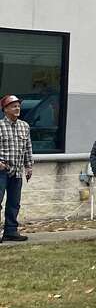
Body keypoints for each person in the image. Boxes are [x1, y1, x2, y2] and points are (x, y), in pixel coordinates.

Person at [0, 95, 34, 242]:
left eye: (18, 105)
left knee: (14, 203)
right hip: (1, 170)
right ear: (5, 109)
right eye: (13, 106)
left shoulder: (24, 126)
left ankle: (11, 231)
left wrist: (29, 166)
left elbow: (28, 147)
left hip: (17, 172)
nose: (17, 108)